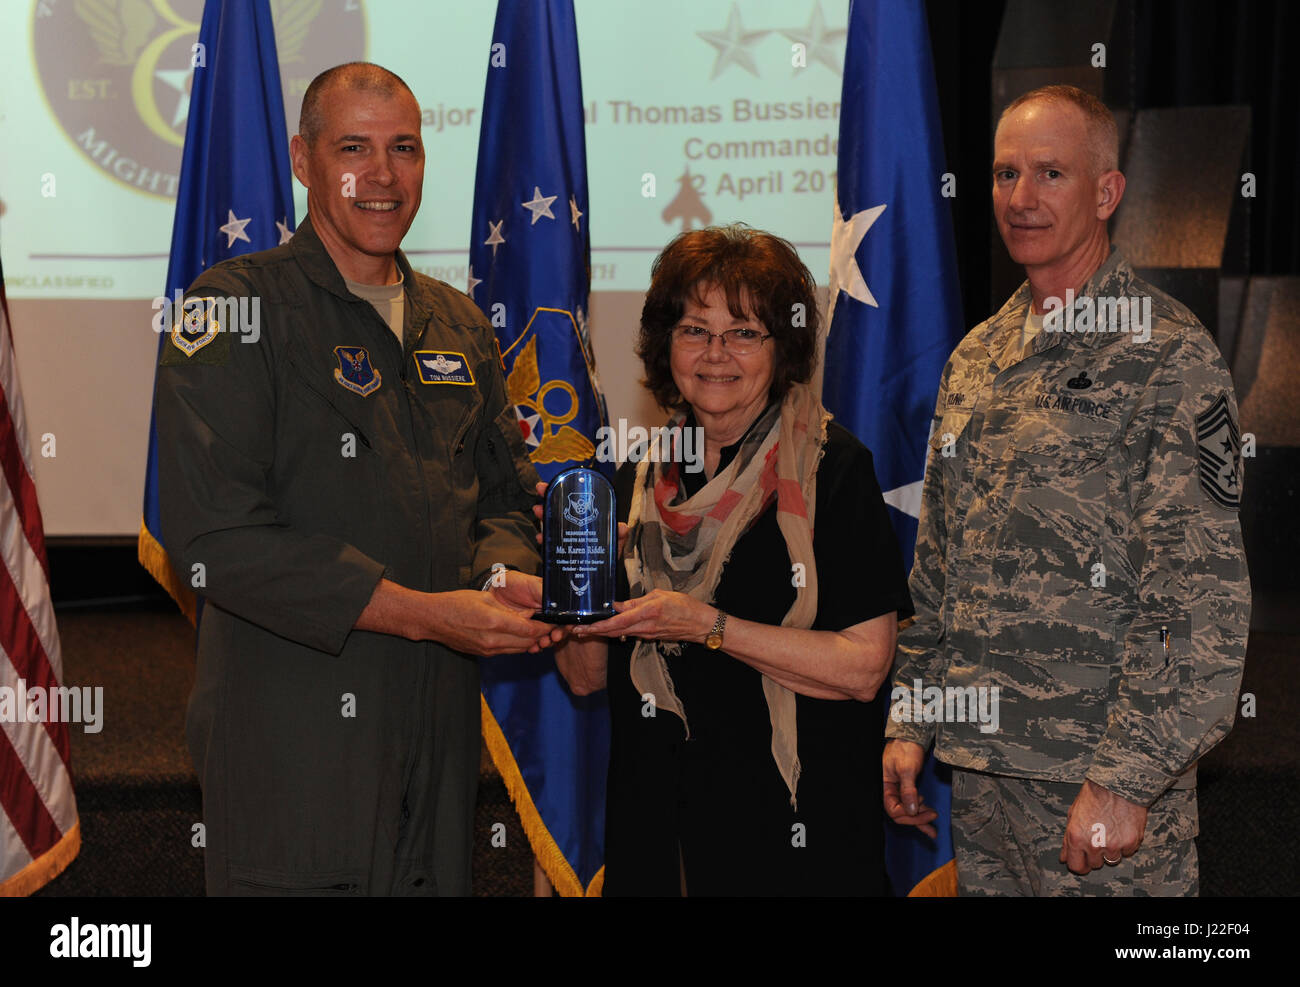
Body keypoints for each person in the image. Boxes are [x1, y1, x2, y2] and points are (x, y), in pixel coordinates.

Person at [154, 62, 562, 896]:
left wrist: (502, 576)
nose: (382, 174)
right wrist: (423, 615)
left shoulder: (460, 321)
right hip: (296, 741)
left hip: (439, 739)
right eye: (354, 148)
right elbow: (215, 541)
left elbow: (502, 494)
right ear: (303, 160)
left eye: (403, 148)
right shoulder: (232, 310)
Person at [882, 84, 1251, 895]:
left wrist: (1124, 780)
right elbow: (939, 567)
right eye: (1005, 173)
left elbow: (1199, 604)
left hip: (1099, 787)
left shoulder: (1168, 357)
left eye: (1050, 173)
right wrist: (913, 716)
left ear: (1107, 191)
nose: (1021, 197)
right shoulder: (976, 357)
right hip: (980, 777)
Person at [555, 225, 914, 895]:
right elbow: (584, 678)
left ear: (783, 350)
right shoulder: (631, 481)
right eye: (695, 330)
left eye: (745, 332)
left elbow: (865, 668)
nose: (717, 353)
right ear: (668, 345)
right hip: (656, 842)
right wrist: (571, 597)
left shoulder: (834, 470)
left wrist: (708, 626)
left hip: (797, 847)